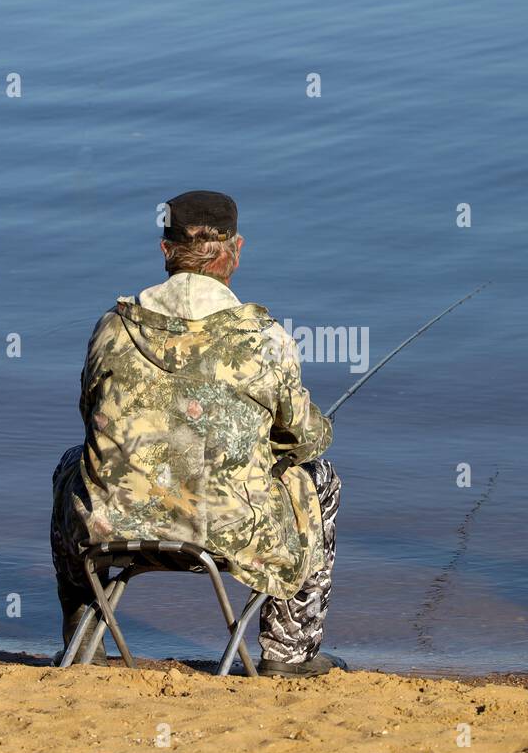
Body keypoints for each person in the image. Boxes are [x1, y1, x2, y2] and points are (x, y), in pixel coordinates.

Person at [49, 190, 345, 677]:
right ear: (236, 250)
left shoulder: (112, 327)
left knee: (70, 466)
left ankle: (84, 639)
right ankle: (288, 654)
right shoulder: (264, 339)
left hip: (114, 526)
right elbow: (304, 439)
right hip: (229, 531)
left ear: (165, 250)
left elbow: (90, 415)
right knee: (319, 477)